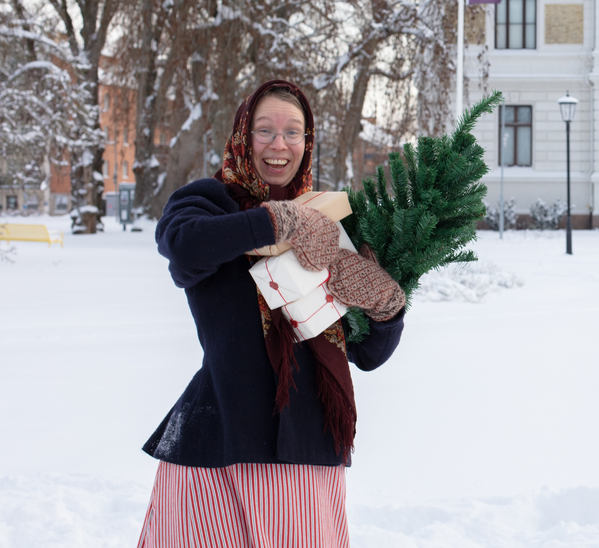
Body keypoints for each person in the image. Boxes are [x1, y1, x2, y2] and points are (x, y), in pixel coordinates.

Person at [137, 80, 406, 548]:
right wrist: (276, 221)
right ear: (243, 135)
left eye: (293, 132)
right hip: (218, 450)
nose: (279, 145)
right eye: (265, 130)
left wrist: (386, 308)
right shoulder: (210, 202)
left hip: (307, 448)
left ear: (308, 142)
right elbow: (183, 246)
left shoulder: (330, 219)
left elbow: (366, 352)